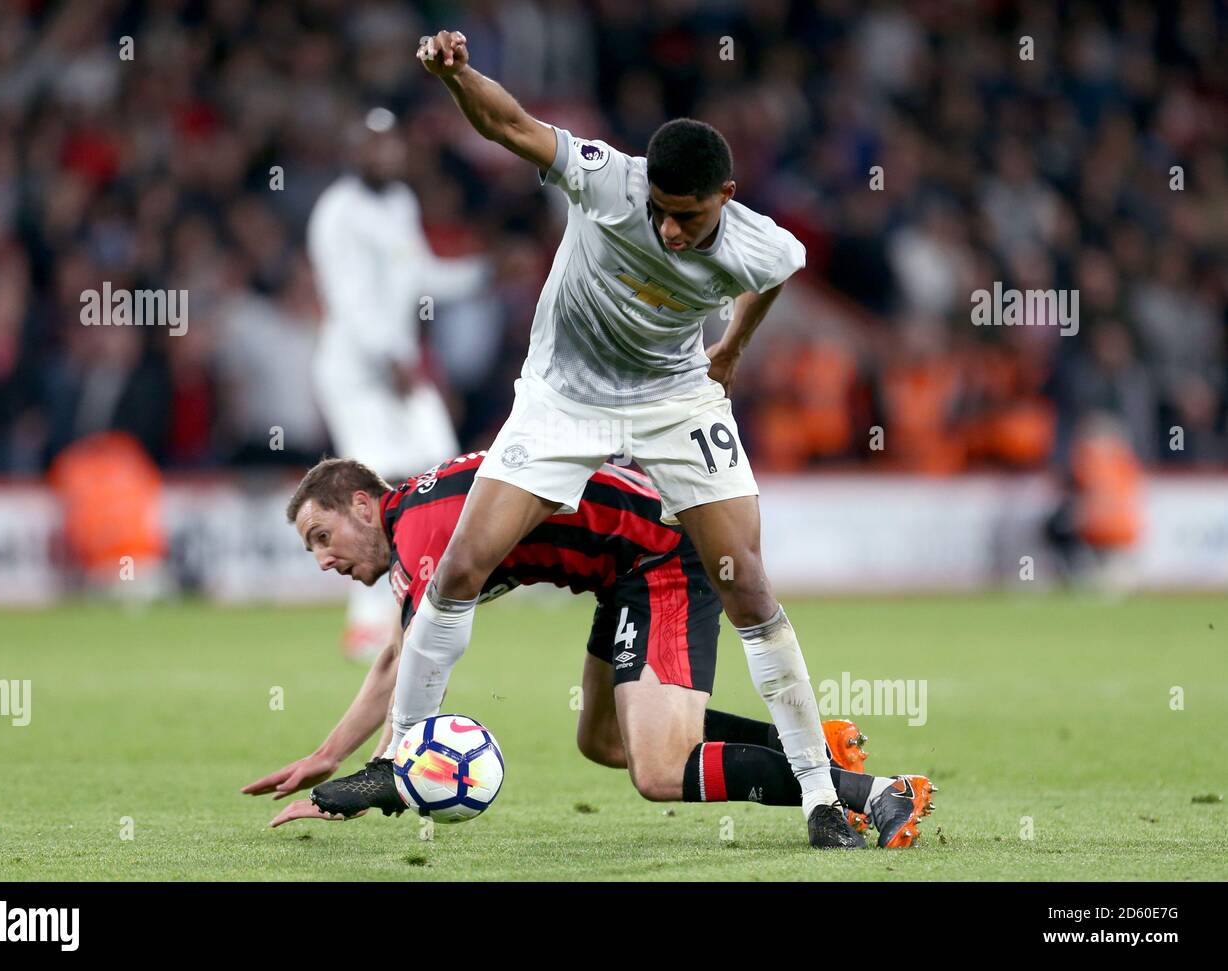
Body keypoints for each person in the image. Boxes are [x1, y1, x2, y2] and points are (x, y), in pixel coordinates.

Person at [380, 29, 862, 847]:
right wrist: (459, 78)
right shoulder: (609, 181)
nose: (671, 232)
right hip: (563, 398)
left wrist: (734, 348)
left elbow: (776, 274)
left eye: (688, 217)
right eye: (661, 214)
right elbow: (509, 125)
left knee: (745, 582)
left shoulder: (761, 241)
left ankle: (821, 793)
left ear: (725, 195)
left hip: (677, 397)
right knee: (462, 564)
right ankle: (402, 753)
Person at [241, 454, 936, 849]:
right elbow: (399, 658)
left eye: (320, 536)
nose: (322, 559)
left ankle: (875, 794)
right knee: (602, 737)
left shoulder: (422, 529)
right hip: (620, 574)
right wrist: (329, 755)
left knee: (658, 768)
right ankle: (820, 749)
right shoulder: (418, 527)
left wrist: (376, 779)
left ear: (364, 505)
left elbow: (427, 666)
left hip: (660, 556)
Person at [307, 105, 489, 661]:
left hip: (399, 370)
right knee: (369, 490)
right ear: (353, 151)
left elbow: (421, 276)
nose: (382, 154)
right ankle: (366, 624)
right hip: (355, 374)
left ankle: (426, 602)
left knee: (439, 467)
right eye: (371, 145)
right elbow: (347, 299)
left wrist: (481, 271)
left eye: (390, 145)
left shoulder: (401, 203)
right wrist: (392, 355)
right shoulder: (336, 213)